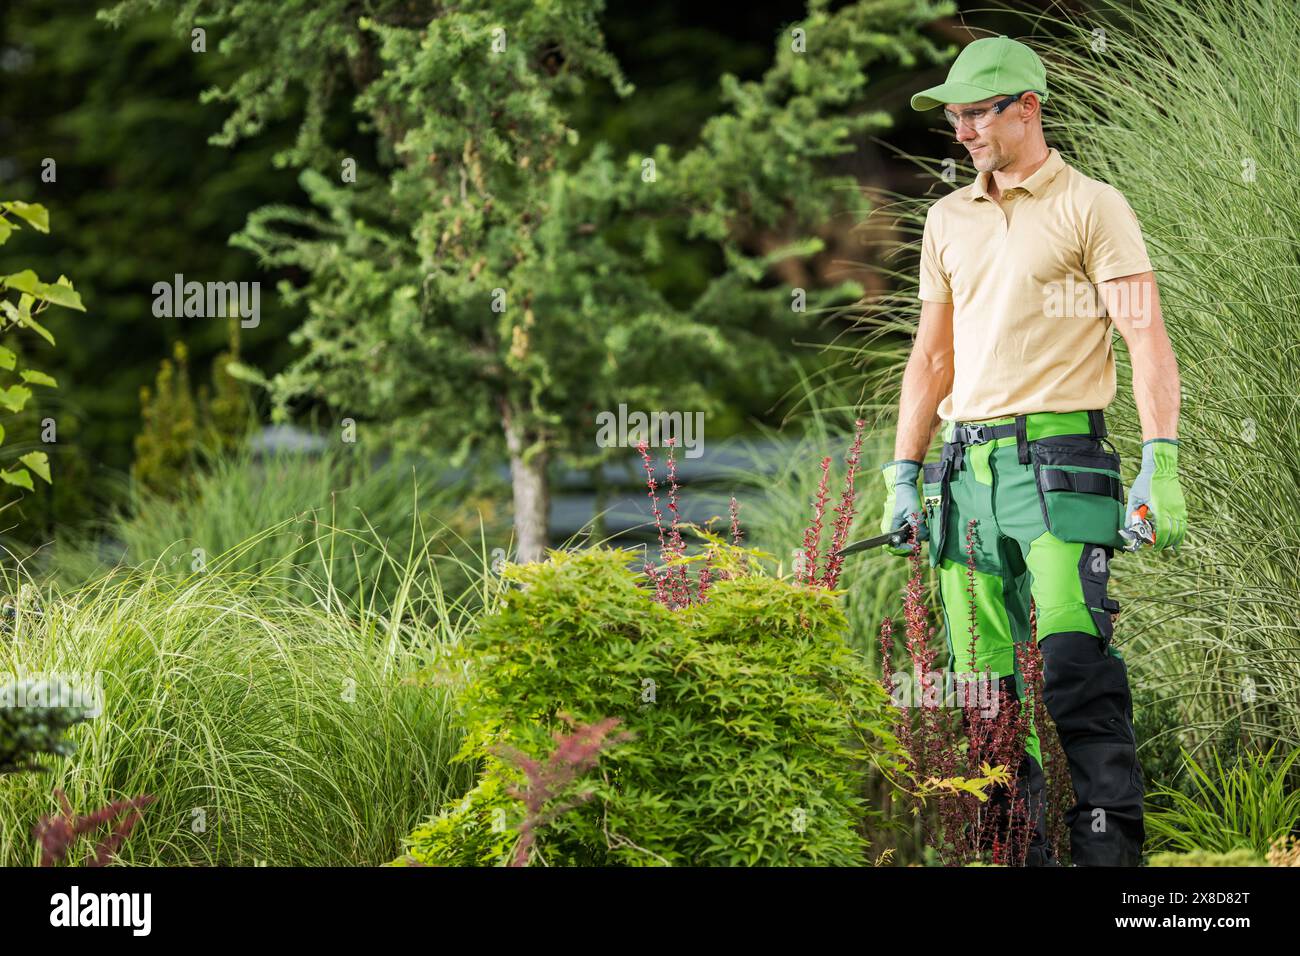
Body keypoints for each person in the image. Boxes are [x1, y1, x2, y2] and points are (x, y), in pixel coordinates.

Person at [880, 35, 1187, 866]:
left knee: (1075, 668)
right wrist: (904, 472)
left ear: (1028, 108)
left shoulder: (1094, 205)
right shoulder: (948, 218)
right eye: (954, 114)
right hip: (964, 476)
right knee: (983, 701)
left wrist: (1163, 457)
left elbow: (1143, 331)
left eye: (980, 111)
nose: (964, 129)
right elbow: (932, 357)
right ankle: (1016, 858)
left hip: (1059, 471)